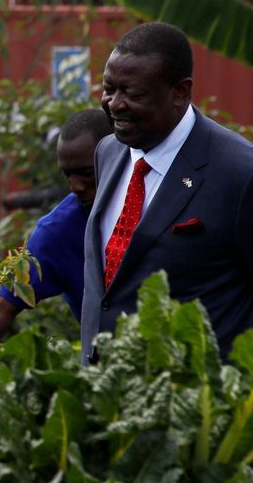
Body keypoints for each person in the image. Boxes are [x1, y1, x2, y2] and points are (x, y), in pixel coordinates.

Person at [82, 22, 253, 361]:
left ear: (180, 92)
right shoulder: (108, 152)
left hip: (191, 397)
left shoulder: (239, 173)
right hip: (103, 392)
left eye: (133, 94)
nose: (114, 105)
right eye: (109, 89)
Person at [0, 109, 112, 334]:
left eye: (86, 173)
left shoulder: (159, 199)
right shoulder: (58, 232)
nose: (75, 186)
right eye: (67, 175)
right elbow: (2, 308)